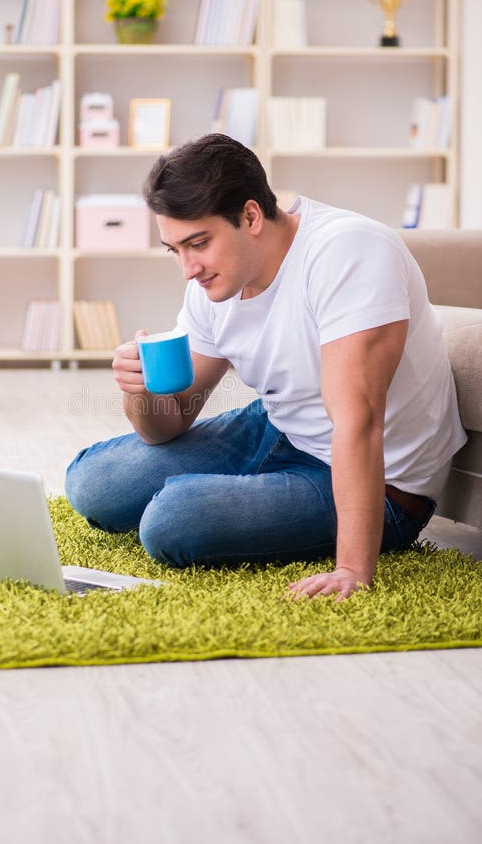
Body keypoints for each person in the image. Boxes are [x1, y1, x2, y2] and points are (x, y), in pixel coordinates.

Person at [65, 133, 466, 602]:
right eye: (175, 249)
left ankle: (256, 501)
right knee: (94, 483)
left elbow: (359, 422)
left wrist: (352, 569)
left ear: (251, 215)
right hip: (284, 427)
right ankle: (258, 494)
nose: (188, 269)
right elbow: (167, 425)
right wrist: (141, 391)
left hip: (384, 484)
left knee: (171, 521)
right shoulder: (213, 284)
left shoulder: (349, 252)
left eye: (198, 243)